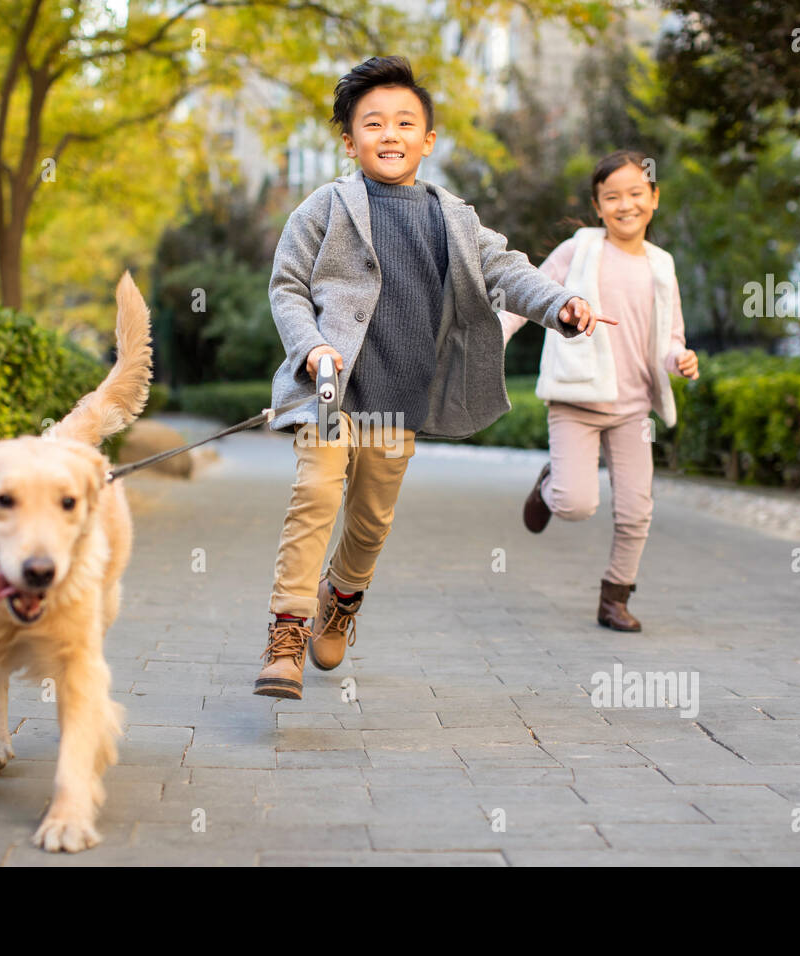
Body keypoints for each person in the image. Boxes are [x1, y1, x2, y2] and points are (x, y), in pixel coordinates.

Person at [254, 55, 614, 699]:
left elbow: (509, 270)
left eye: (403, 123)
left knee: (369, 524)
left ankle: (341, 598)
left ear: (428, 139)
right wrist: (309, 348)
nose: (388, 135)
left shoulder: (454, 218)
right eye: (372, 124)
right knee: (314, 499)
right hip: (332, 397)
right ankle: (286, 632)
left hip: (401, 400)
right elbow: (286, 287)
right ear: (349, 140)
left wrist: (559, 304)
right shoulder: (324, 207)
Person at [501, 149, 699, 633]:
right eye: (612, 196)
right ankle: (552, 487)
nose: (625, 205)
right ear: (598, 204)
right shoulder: (580, 249)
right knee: (575, 504)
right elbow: (528, 294)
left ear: (654, 198)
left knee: (636, 509)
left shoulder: (661, 264)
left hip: (633, 409)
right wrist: (493, 340)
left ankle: (615, 597)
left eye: (636, 194)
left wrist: (680, 359)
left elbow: (670, 334)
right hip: (576, 399)